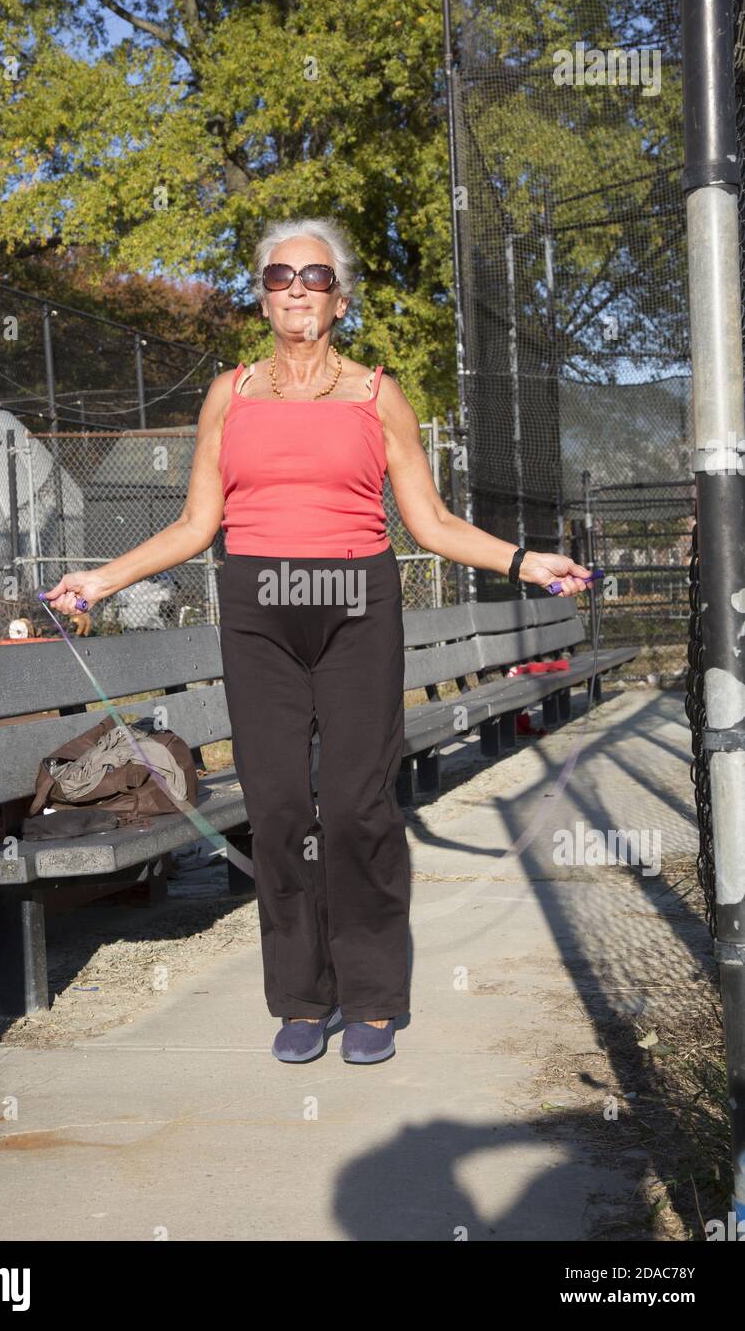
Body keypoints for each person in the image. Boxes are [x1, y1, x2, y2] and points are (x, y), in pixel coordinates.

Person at [43, 216, 592, 1066]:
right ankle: (301, 997)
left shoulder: (378, 396)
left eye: (315, 276)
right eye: (278, 275)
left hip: (354, 604)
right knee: (279, 808)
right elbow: (196, 524)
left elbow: (433, 522)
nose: (296, 288)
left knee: (359, 804)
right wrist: (100, 580)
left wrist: (528, 561)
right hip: (258, 606)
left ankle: (372, 999)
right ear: (261, 294)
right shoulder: (230, 394)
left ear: (342, 297)